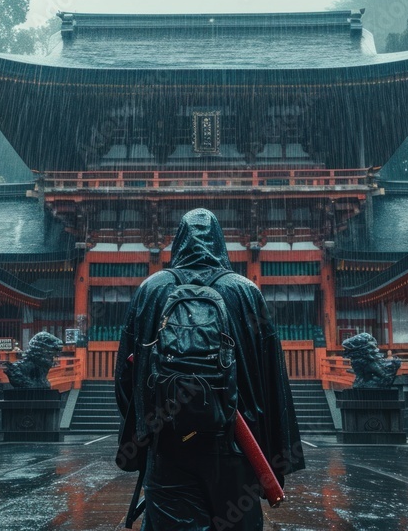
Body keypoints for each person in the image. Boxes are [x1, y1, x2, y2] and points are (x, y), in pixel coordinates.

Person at [115, 208, 304, 531]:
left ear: (178, 242)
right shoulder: (245, 292)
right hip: (236, 445)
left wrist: (145, 433)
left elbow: (126, 380)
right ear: (220, 243)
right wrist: (276, 459)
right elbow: (272, 381)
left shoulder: (151, 290)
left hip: (169, 445)